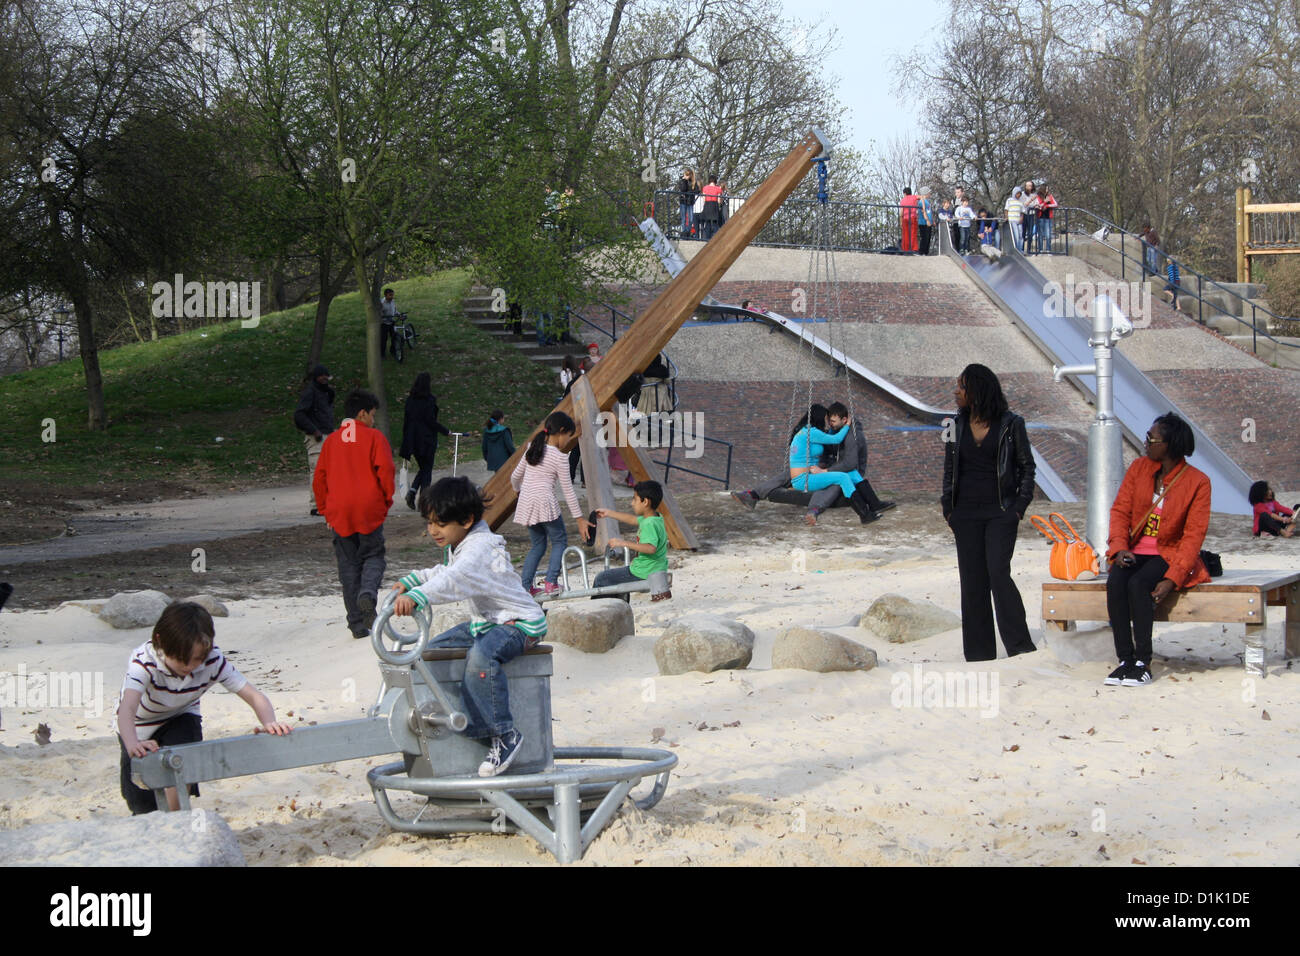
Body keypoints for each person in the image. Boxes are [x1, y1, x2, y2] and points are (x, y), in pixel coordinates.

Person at [391, 477, 547, 776]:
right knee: (431, 652)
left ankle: (502, 734)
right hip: (487, 623)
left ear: (467, 519)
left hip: (520, 623)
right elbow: (447, 571)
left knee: (482, 658)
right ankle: (454, 720)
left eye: (440, 523)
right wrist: (416, 578)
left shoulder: (479, 549)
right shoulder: (465, 543)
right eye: (430, 522)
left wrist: (418, 596)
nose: (433, 530)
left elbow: (454, 580)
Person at [117, 602, 290, 813]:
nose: (190, 668)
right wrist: (133, 742)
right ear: (160, 642)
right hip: (138, 724)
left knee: (184, 755)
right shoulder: (144, 662)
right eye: (181, 660)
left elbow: (252, 694)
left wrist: (269, 722)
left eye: (197, 660)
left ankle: (175, 816)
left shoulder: (212, 660)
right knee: (140, 800)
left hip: (182, 714)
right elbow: (127, 708)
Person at [1105, 413, 1211, 685]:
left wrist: (1173, 578)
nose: (1146, 442)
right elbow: (1120, 512)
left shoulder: (1197, 482)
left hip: (1169, 553)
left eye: (1152, 438)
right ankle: (1125, 660)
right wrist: (1119, 549)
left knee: (1139, 584)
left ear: (1170, 445)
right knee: (1116, 581)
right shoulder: (1139, 468)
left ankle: (1143, 662)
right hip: (1135, 549)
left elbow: (1193, 536)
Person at [941, 363, 1037, 662]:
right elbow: (949, 469)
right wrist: (948, 508)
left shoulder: (1012, 423)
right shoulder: (953, 425)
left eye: (962, 386)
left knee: (998, 573)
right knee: (972, 582)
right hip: (965, 513)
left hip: (1001, 513)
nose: (956, 391)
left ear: (978, 390)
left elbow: (1027, 468)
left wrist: (1018, 508)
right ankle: (979, 654)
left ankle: (1020, 647)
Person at [314, 389, 395, 638]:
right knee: (373, 556)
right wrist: (385, 502)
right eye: (372, 414)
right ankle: (368, 593)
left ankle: (356, 624)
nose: (373, 419)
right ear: (362, 413)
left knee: (348, 567)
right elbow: (386, 471)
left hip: (339, 511)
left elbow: (319, 479)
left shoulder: (331, 441)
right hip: (368, 508)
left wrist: (327, 511)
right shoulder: (374, 437)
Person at [511, 411, 591, 595]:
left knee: (538, 545)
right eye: (568, 436)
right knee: (559, 540)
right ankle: (551, 582)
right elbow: (568, 491)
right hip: (544, 502)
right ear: (561, 431)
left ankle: (526, 586)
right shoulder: (560, 457)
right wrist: (579, 519)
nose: (567, 441)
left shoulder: (532, 448)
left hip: (527, 501)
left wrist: (518, 491)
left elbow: (515, 476)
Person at [788, 404, 878, 524]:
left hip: (808, 475)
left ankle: (874, 504)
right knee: (843, 477)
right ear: (819, 418)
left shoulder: (805, 430)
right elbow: (836, 439)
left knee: (851, 473)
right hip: (803, 480)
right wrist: (847, 425)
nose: (827, 422)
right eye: (826, 419)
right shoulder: (812, 432)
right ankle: (864, 515)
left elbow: (827, 437)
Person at [592, 481, 669, 598]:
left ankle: (602, 612)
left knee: (602, 578)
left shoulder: (649, 524)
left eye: (635, 499)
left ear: (645, 502)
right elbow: (632, 519)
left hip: (644, 571)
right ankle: (619, 606)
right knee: (614, 578)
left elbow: (650, 548)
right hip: (653, 568)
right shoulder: (655, 517)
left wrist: (622, 543)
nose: (632, 503)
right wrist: (608, 513)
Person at [399, 372, 451, 511]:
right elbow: (430, 421)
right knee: (427, 471)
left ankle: (413, 492)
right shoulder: (429, 400)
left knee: (424, 469)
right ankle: (424, 501)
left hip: (413, 440)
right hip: (427, 440)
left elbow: (407, 422)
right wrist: (445, 431)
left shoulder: (410, 400)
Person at [294, 364, 335, 516]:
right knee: (317, 472)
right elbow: (299, 415)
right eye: (322, 376)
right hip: (316, 438)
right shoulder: (310, 392)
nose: (325, 379)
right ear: (316, 378)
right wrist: (314, 430)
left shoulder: (326, 392)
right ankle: (316, 505)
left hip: (328, 435)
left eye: (327, 376)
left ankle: (326, 502)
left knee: (328, 473)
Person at [700, 176, 724, 240]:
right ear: (715, 181)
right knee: (715, 223)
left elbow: (704, 199)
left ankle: (707, 238)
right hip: (714, 205)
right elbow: (719, 200)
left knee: (707, 223)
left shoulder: (705, 188)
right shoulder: (718, 189)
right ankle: (716, 239)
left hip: (707, 205)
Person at [1035, 182, 1057, 253]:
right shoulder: (1038, 196)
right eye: (1046, 188)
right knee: (1040, 234)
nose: (1047, 190)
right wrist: (1044, 202)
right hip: (1040, 217)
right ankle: (1040, 249)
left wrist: (1047, 206)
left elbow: (1055, 204)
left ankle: (1048, 249)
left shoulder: (1050, 196)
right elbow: (1038, 205)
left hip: (1048, 217)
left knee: (1048, 234)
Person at [676, 168, 698, 238]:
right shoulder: (682, 181)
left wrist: (689, 193)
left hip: (690, 202)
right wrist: (684, 180)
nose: (687, 176)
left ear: (691, 175)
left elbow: (697, 190)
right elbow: (683, 189)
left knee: (691, 218)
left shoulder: (693, 182)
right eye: (686, 175)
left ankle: (688, 231)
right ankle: (684, 231)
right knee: (683, 218)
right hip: (683, 201)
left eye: (688, 175)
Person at [380, 287, 399, 359]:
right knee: (383, 340)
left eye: (392, 295)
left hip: (392, 322)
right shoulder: (381, 303)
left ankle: (393, 351)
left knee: (394, 337)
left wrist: (399, 314)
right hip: (384, 324)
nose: (392, 297)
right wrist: (385, 317)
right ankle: (382, 354)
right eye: (390, 295)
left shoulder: (393, 301)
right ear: (385, 295)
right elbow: (379, 314)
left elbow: (394, 311)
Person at [1005, 187, 1025, 251]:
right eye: (1017, 193)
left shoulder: (1021, 202)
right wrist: (1007, 217)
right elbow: (1006, 210)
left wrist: (1021, 218)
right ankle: (1015, 250)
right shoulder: (1009, 200)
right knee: (1016, 235)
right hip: (1012, 220)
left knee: (1020, 236)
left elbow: (1022, 212)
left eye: (1020, 194)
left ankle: (1020, 249)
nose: (1018, 195)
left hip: (1018, 220)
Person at [899, 186, 919, 253]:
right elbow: (921, 197)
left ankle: (905, 249)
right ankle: (914, 249)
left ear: (904, 193)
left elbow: (901, 212)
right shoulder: (914, 197)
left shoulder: (903, 200)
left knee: (905, 234)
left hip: (905, 218)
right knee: (913, 234)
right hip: (913, 217)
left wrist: (900, 221)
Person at [1021, 182, 1038, 255]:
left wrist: (1036, 205)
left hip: (1031, 215)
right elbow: (1024, 205)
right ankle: (1021, 249)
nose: (1029, 187)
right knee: (1023, 233)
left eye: (1030, 186)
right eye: (1027, 186)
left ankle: (1029, 250)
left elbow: (1036, 204)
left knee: (1030, 233)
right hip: (1024, 215)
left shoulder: (1034, 195)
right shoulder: (1022, 194)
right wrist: (1031, 200)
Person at [917, 187, 935, 255]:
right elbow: (923, 211)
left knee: (928, 237)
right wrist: (927, 220)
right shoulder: (922, 201)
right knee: (924, 237)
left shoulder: (927, 201)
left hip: (928, 222)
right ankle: (921, 251)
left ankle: (926, 252)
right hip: (923, 222)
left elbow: (929, 212)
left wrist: (932, 220)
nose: (930, 194)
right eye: (929, 192)